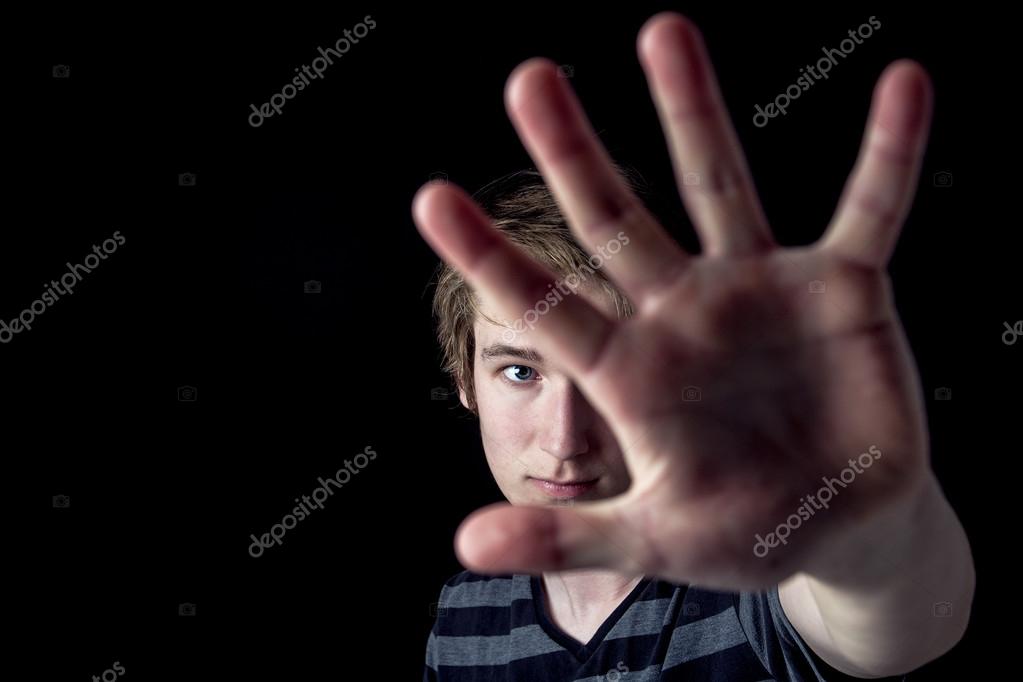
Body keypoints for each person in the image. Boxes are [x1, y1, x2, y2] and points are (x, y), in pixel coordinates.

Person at [412, 11, 974, 681]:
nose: (565, 442)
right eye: (518, 372)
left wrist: (868, 534)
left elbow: (902, 631)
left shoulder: (750, 555)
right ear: (463, 379)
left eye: (603, 378)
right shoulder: (461, 617)